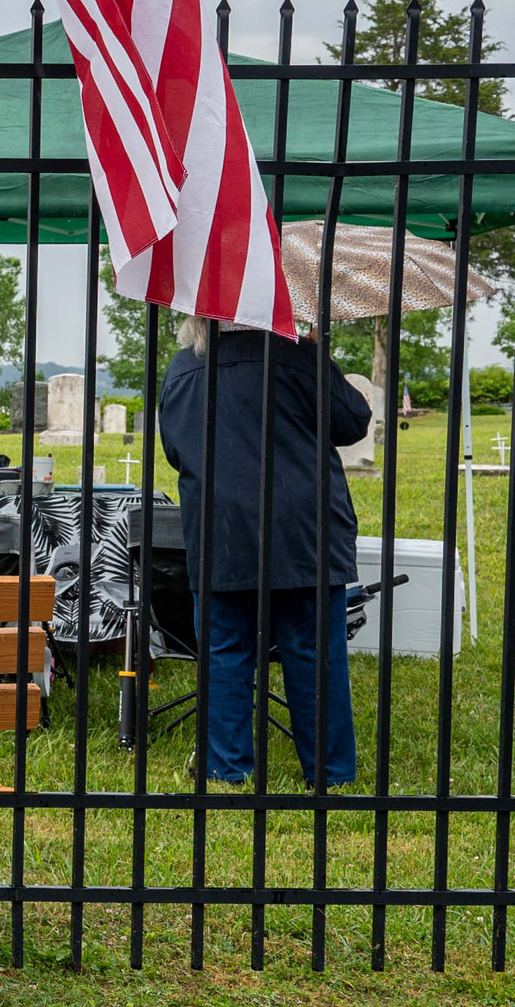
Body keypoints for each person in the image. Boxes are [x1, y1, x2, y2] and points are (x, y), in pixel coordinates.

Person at [157, 316, 368, 788]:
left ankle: (225, 769)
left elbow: (174, 449)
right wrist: (317, 353)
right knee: (314, 653)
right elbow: (353, 421)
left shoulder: (183, 369)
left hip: (221, 528)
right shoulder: (297, 357)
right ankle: (330, 772)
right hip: (303, 529)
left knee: (223, 653)